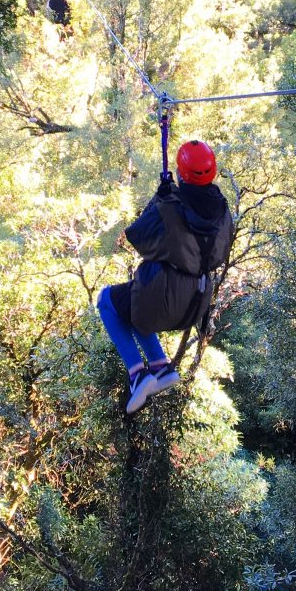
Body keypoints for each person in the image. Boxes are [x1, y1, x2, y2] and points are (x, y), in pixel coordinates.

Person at [97, 140, 234, 414]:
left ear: (181, 173)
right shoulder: (223, 212)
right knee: (133, 306)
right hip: (196, 301)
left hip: (163, 294)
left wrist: (161, 199)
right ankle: (160, 366)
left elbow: (138, 237)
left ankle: (138, 373)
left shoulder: (171, 207)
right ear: (213, 172)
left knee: (106, 301)